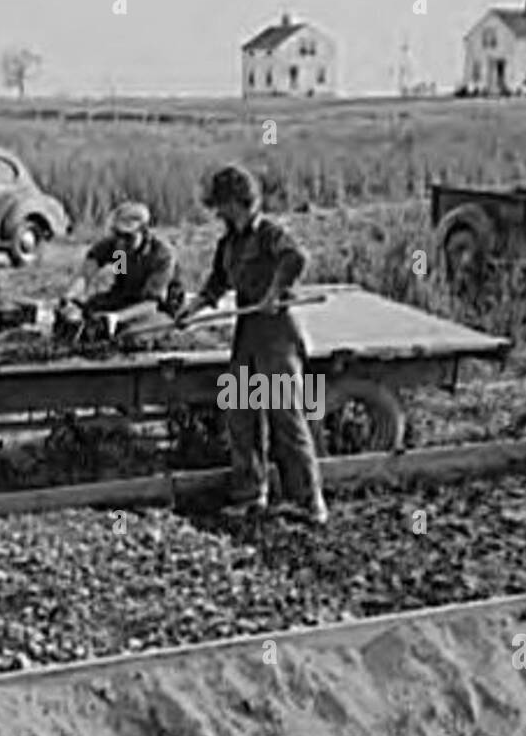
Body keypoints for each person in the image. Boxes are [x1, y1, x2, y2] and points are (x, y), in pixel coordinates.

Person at [177, 164, 328, 525]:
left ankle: (309, 501)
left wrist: (274, 294)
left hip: (277, 331)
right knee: (241, 414)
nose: (217, 213)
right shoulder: (228, 242)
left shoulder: (269, 234)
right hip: (247, 332)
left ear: (238, 202)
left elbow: (296, 258)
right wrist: (191, 309)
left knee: (285, 417)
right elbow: (216, 284)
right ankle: (250, 494)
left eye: (222, 205)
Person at [61, 201, 181, 340]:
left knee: (130, 336)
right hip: (124, 297)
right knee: (84, 314)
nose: (121, 242)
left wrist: (117, 317)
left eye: (128, 237)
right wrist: (71, 297)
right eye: (118, 234)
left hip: (158, 308)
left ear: (143, 232)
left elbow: (151, 303)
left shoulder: (162, 255)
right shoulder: (118, 246)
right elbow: (88, 271)